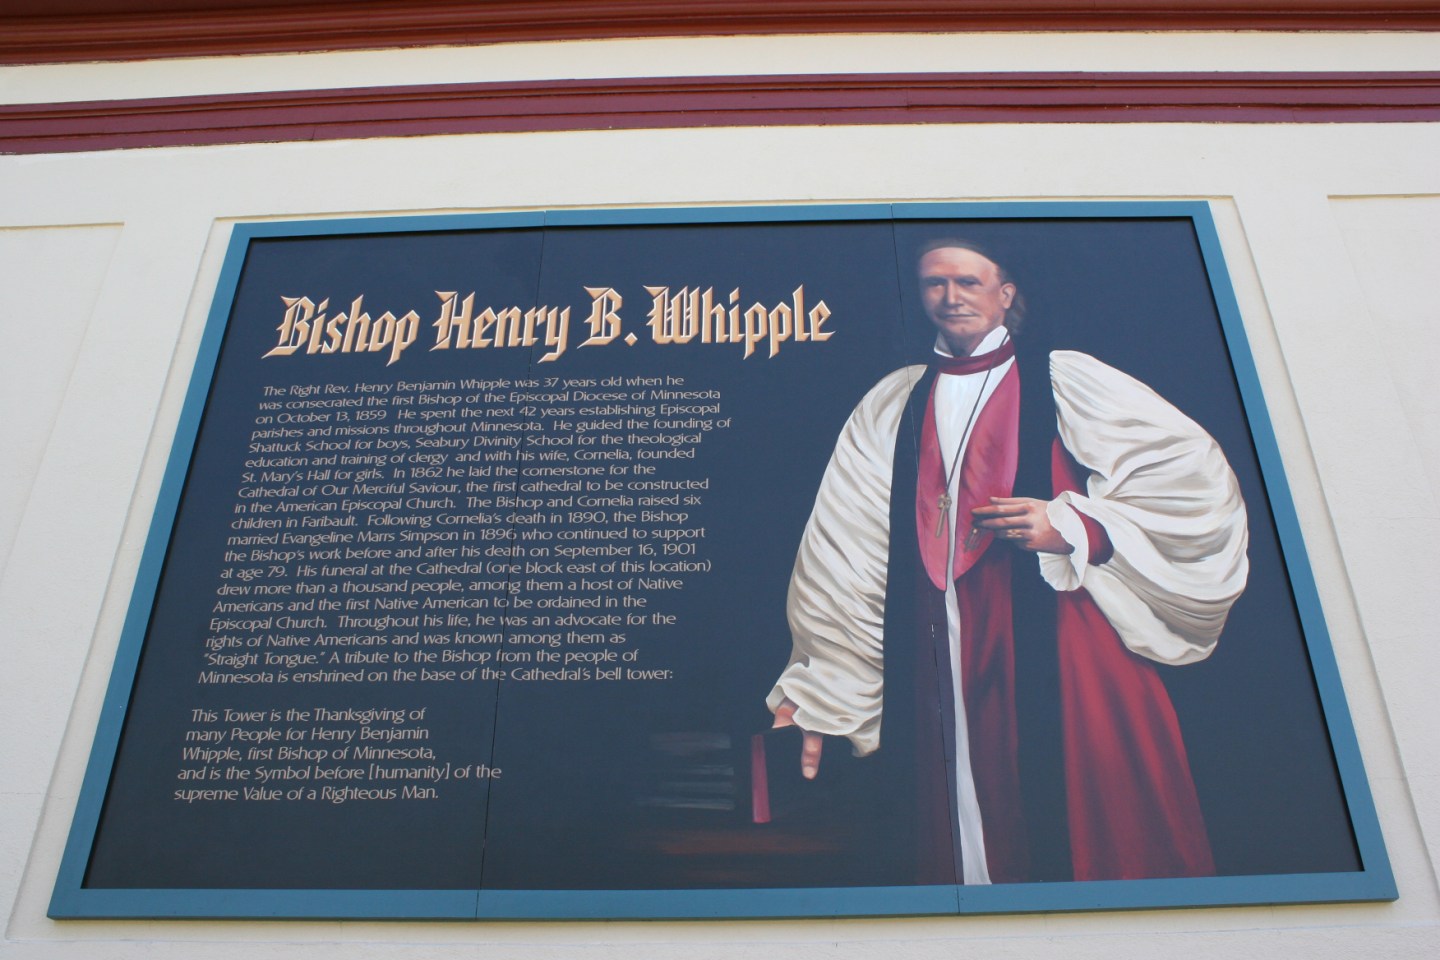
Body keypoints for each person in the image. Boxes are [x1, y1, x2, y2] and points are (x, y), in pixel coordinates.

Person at [765, 239, 1249, 884]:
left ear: (1005, 294)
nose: (951, 297)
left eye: (967, 281)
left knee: (1090, 828)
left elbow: (1193, 476)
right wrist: (824, 687)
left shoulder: (1064, 378)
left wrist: (1076, 525)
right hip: (933, 650)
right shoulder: (893, 402)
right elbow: (846, 545)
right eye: (934, 283)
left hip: (1061, 641)